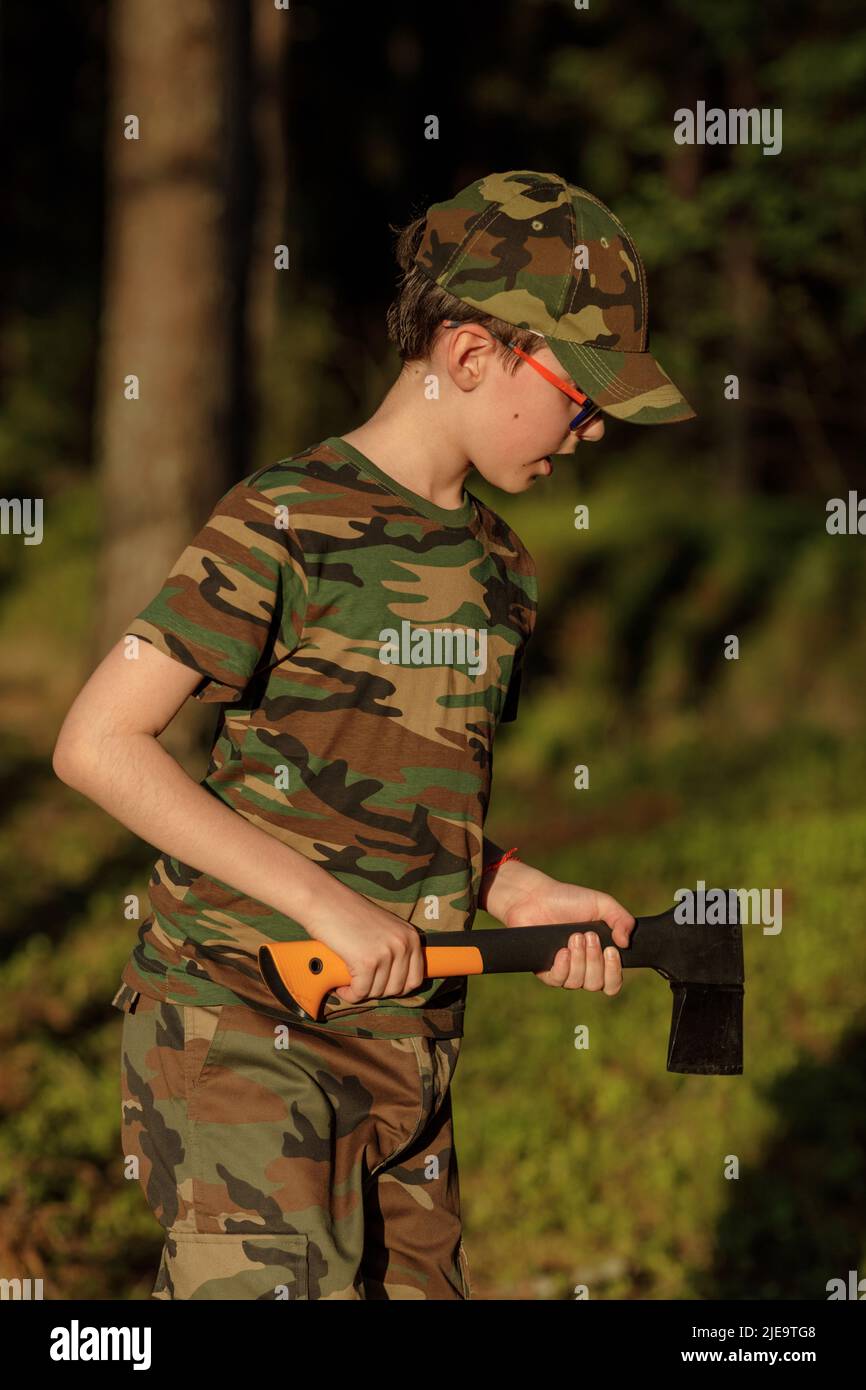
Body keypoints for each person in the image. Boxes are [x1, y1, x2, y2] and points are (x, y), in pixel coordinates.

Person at [52, 169, 695, 1300]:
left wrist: (514, 891)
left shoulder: (500, 571)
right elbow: (99, 743)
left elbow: (401, 800)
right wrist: (322, 905)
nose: (589, 430)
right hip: (243, 1017)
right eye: (577, 392)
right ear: (468, 352)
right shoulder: (284, 521)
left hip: (408, 1049)